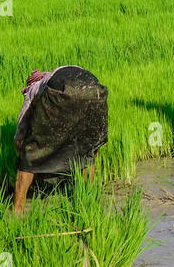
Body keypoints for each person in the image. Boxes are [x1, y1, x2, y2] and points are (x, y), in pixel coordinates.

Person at [13, 65, 109, 215]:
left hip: (61, 90)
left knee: (29, 153)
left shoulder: (33, 89)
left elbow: (19, 136)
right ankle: (89, 199)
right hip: (96, 90)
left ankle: (17, 209)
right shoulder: (66, 73)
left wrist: (26, 155)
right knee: (87, 149)